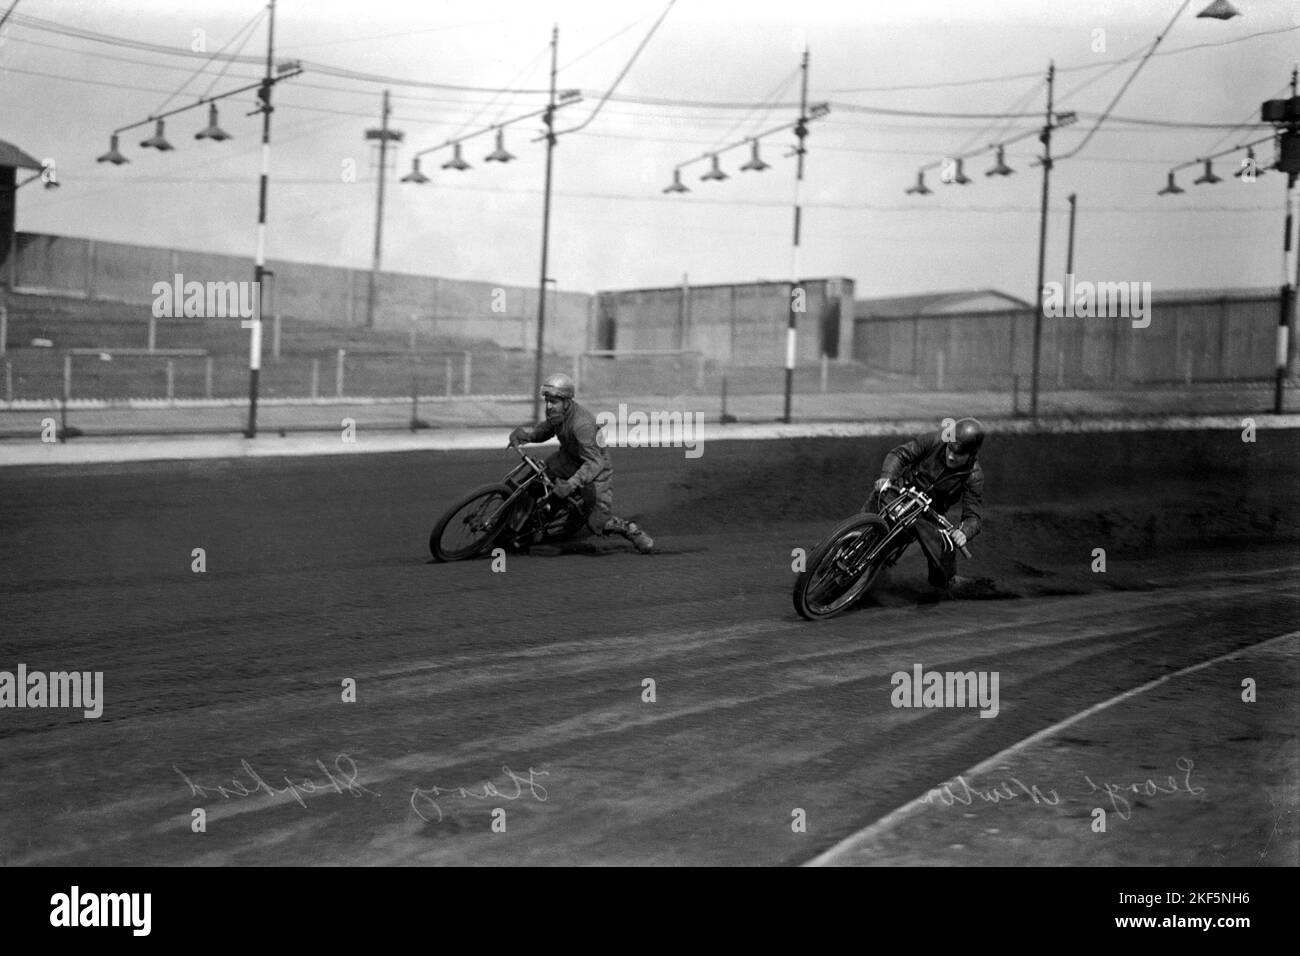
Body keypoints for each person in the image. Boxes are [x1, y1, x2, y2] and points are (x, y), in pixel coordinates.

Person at [508, 373, 655, 554]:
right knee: (535, 479)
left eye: (553, 402)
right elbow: (548, 428)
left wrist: (570, 485)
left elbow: (595, 462)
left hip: (596, 468)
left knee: (598, 521)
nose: (548, 406)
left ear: (567, 402)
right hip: (569, 458)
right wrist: (528, 436)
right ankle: (519, 523)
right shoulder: (559, 415)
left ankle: (630, 530)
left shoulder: (582, 425)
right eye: (547, 401)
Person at [868, 417, 985, 591]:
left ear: (971, 454)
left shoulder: (973, 476)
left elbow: (973, 517)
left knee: (945, 546)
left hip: (928, 514)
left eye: (958, 454)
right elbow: (900, 454)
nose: (951, 456)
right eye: (950, 449)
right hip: (901, 491)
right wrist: (887, 476)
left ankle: (945, 580)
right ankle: (842, 542)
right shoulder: (934, 440)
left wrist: (963, 532)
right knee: (877, 499)